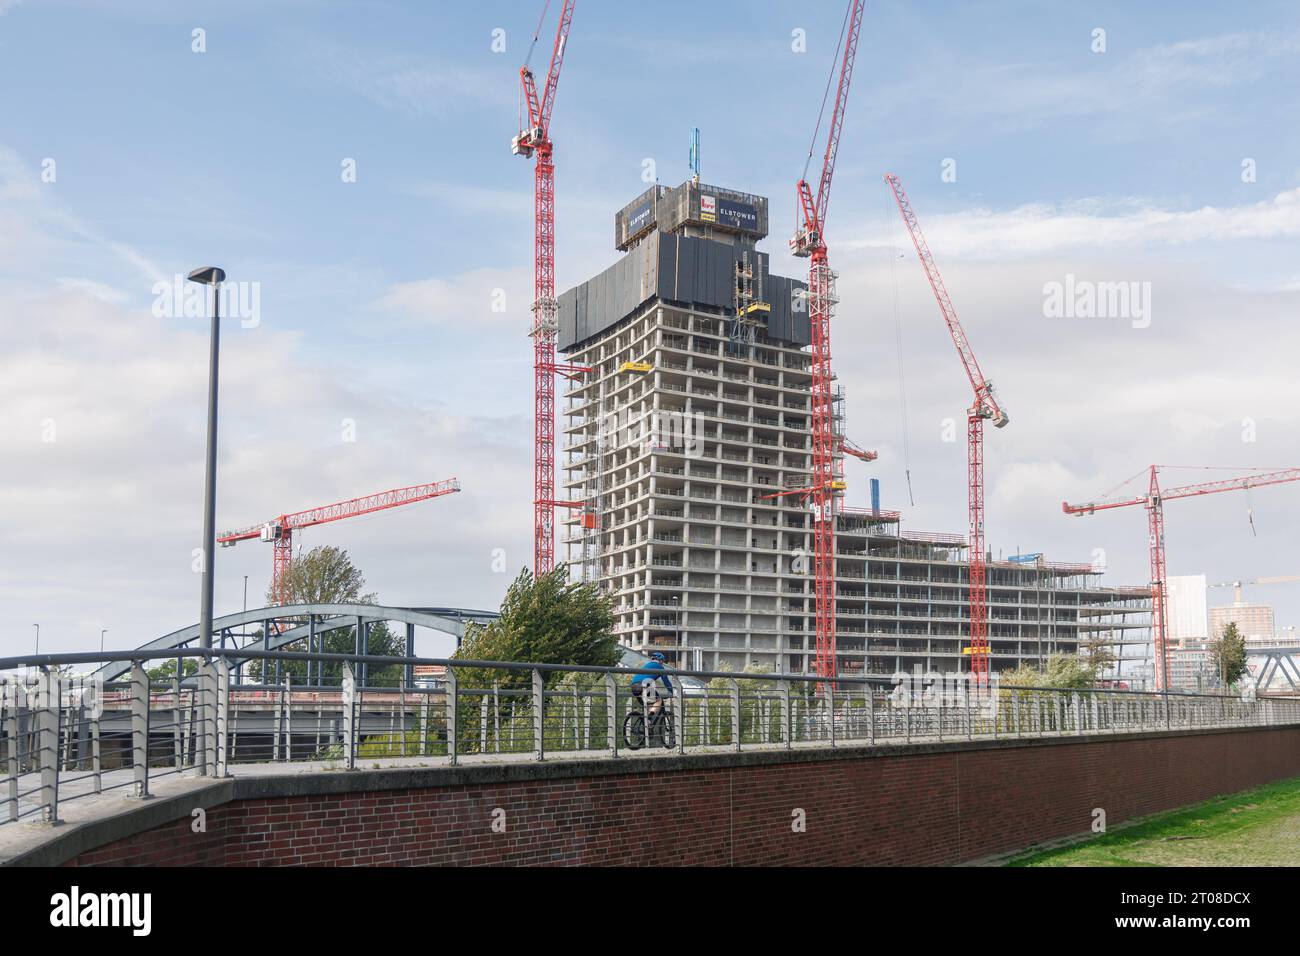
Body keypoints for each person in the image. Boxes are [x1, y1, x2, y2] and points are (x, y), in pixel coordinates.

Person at [631, 652, 674, 716]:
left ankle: (645, 721)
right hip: (644, 685)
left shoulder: (647, 665)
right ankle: (650, 717)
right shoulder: (660, 667)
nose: (663, 663)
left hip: (634, 686)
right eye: (662, 661)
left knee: (648, 704)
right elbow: (666, 682)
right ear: (660, 660)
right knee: (658, 700)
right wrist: (671, 692)